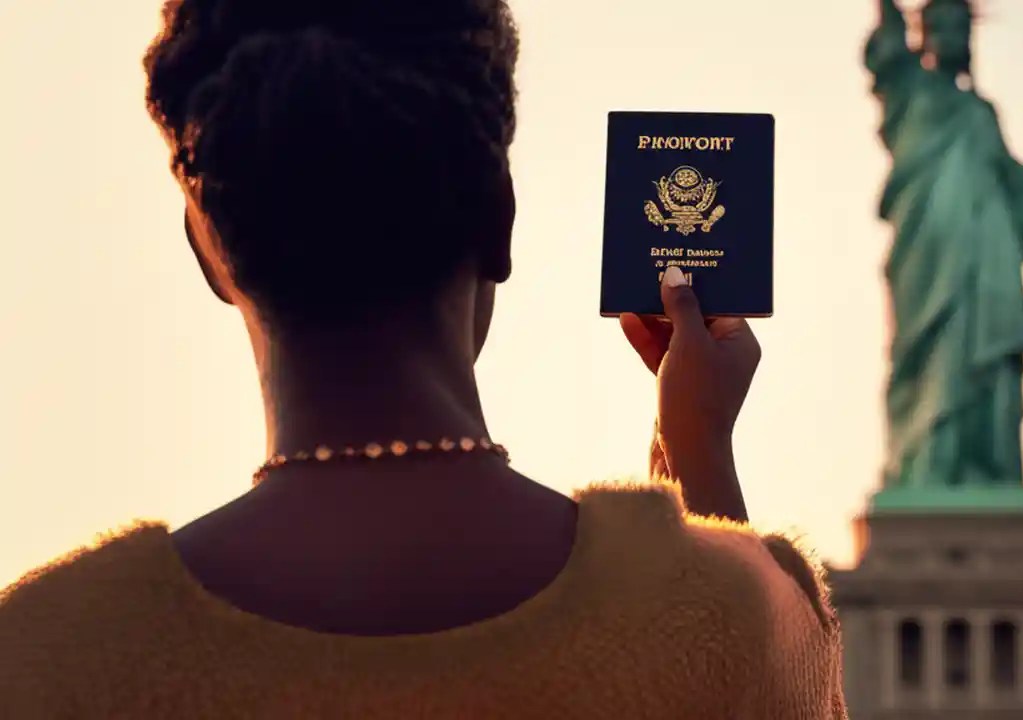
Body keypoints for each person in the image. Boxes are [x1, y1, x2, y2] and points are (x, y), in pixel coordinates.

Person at [0, 1, 846, 718]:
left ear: (208, 252)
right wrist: (694, 451)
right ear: (500, 222)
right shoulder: (737, 618)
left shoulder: (40, 656)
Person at [866, 0, 1023, 501]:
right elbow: (888, 46)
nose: (957, 38)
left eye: (964, 29)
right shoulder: (908, 91)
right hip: (927, 251)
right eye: (943, 27)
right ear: (926, 36)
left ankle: (984, 467)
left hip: (989, 254)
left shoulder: (981, 112)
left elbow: (1014, 185)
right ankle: (925, 465)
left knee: (989, 357)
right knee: (927, 354)